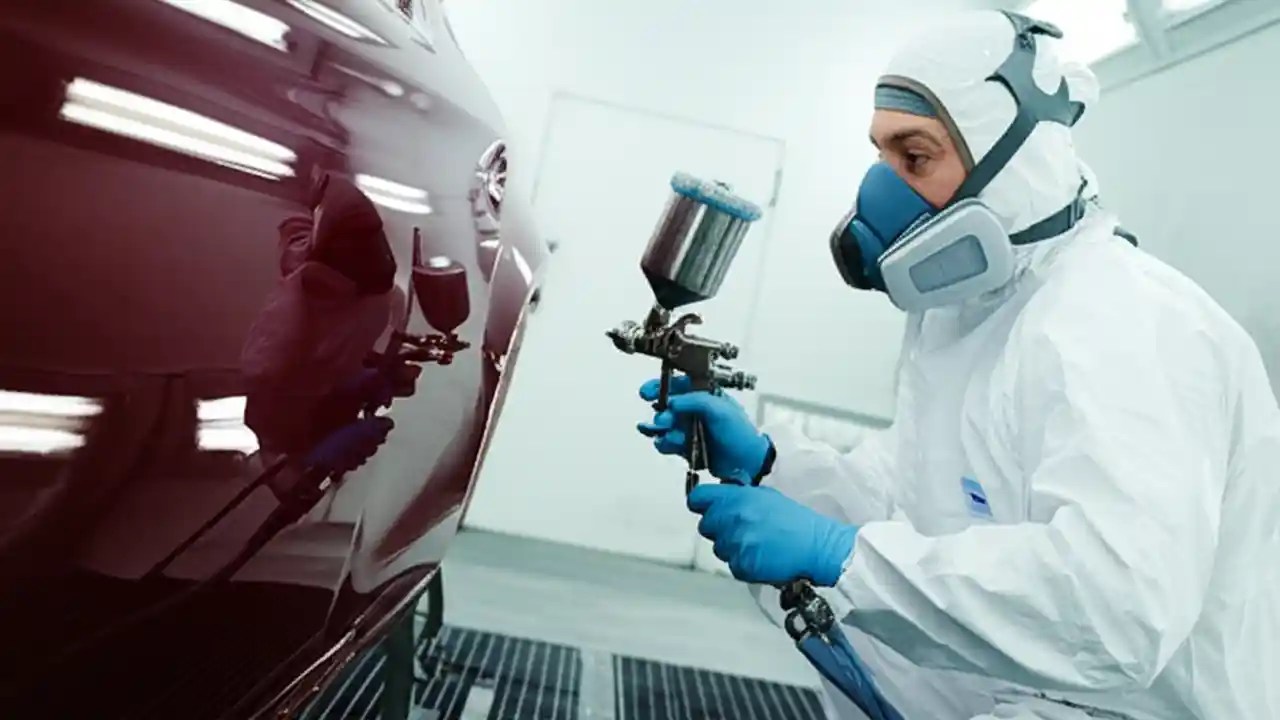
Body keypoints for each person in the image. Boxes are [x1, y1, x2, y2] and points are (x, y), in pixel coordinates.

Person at [636, 9, 1280, 720]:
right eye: (882, 157)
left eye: (915, 159)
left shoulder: (1126, 323)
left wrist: (842, 557)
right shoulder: (964, 316)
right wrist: (770, 466)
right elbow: (915, 507)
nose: (884, 194)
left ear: (1013, 162)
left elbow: (1114, 609)